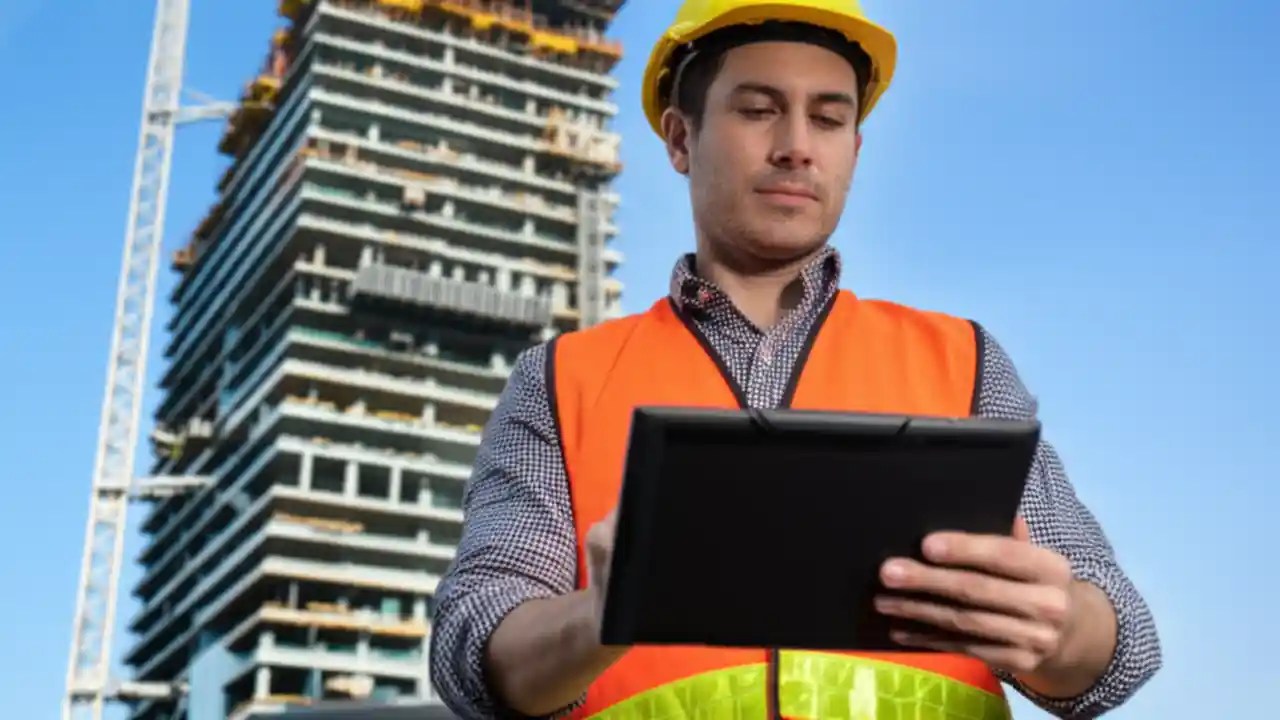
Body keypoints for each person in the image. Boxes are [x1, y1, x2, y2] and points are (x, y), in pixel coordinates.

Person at [429, 1, 1162, 717]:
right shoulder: (560, 380)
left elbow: (1119, 644)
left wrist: (1053, 624)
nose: (797, 145)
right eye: (757, 109)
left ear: (854, 148)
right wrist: (602, 614)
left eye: (829, 117)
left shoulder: (964, 361)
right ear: (681, 140)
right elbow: (475, 650)